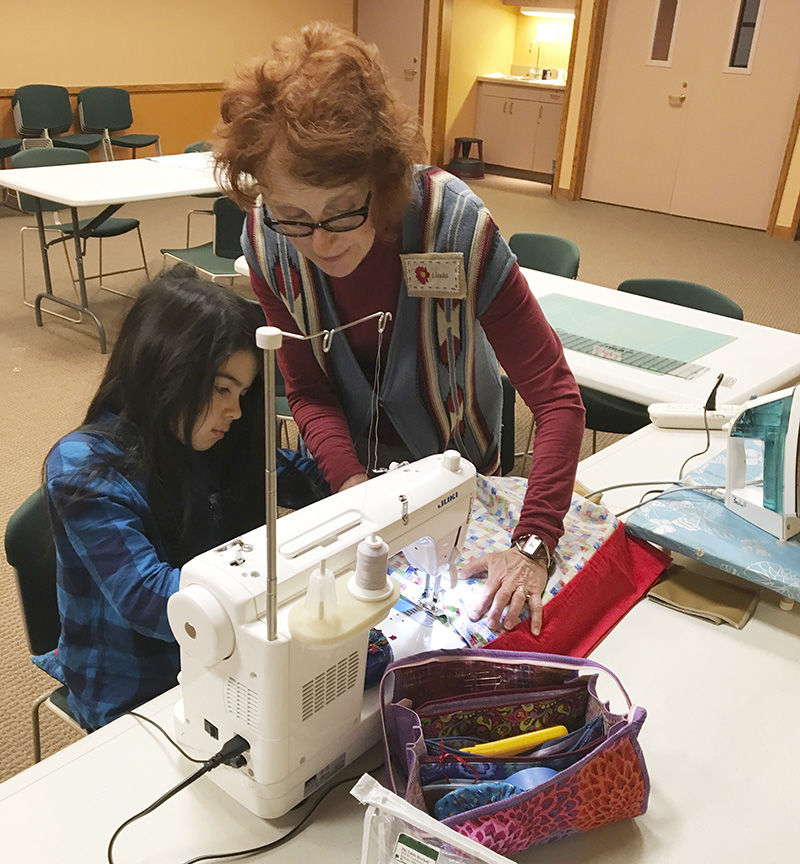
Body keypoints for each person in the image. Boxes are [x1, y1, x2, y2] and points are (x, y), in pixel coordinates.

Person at [213, 22, 586, 638]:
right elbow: (308, 392)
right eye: (294, 218)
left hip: (463, 458)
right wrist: (357, 492)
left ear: (383, 182)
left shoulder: (454, 227)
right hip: (358, 469)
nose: (321, 243)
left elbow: (555, 397)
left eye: (342, 211)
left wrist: (535, 542)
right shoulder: (266, 243)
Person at [45, 264, 270, 730]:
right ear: (167, 372)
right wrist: (285, 580)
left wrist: (350, 478)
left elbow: (284, 472)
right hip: (134, 689)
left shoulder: (200, 437)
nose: (235, 410)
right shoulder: (82, 466)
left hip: (209, 660)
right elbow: (151, 601)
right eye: (222, 389)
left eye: (243, 393)